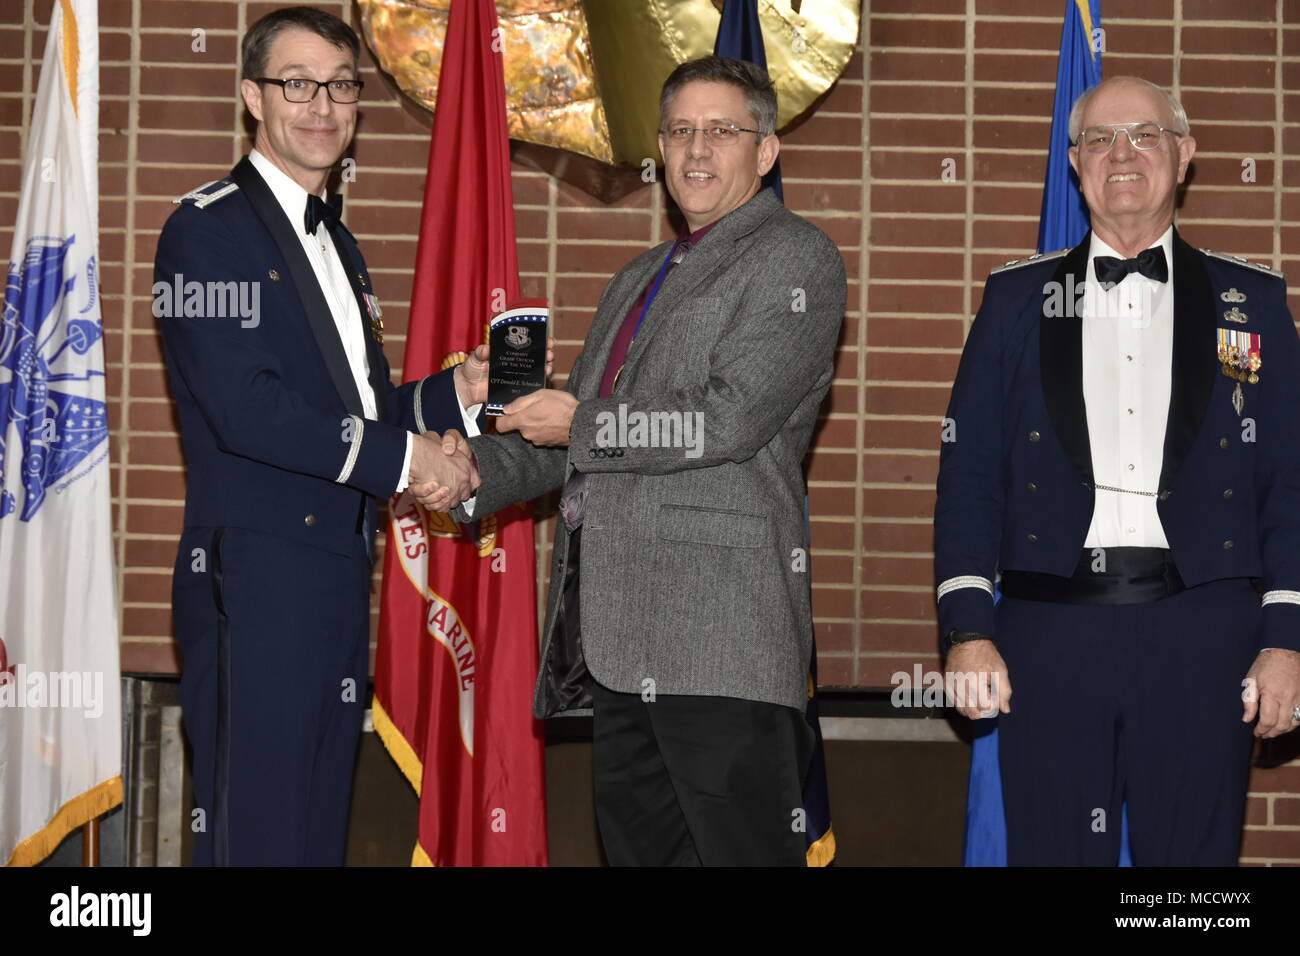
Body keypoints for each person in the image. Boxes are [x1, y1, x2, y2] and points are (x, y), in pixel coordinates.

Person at [427, 55, 845, 866]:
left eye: (722, 130)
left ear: (765, 153)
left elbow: (724, 419)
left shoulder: (796, 259)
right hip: (619, 651)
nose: (696, 149)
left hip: (721, 649)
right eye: (681, 130)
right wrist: (467, 470)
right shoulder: (638, 278)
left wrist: (579, 422)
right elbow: (566, 447)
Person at [935, 75, 1300, 865]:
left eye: (1144, 134)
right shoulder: (1016, 299)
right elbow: (969, 476)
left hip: (1203, 631)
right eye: (1099, 139)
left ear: (1185, 155)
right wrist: (967, 631)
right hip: (1048, 631)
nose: (1121, 154)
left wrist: (1286, 639)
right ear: (1075, 164)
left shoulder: (1255, 302)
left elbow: (1287, 484)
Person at [155, 6, 482, 866]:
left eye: (341, 85)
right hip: (256, 574)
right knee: (256, 834)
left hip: (336, 572)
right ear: (251, 98)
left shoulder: (338, 241)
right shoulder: (207, 228)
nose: (322, 105)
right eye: (297, 83)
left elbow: (360, 410)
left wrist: (459, 394)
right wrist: (411, 459)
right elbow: (250, 409)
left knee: (310, 837)